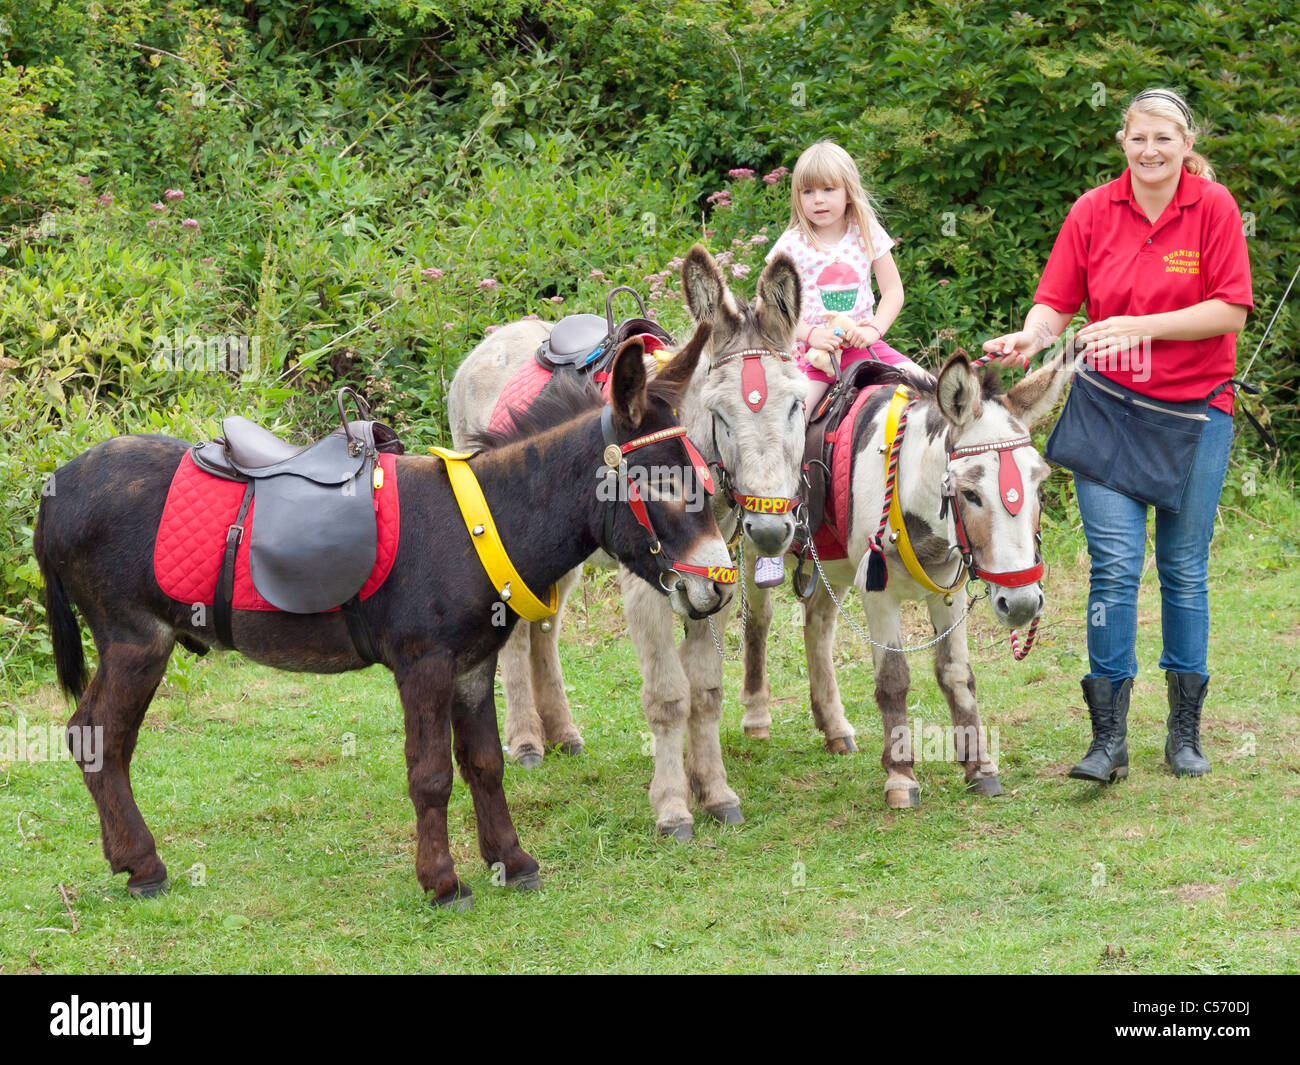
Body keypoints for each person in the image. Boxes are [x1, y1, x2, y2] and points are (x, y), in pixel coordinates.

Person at [983, 88, 1253, 781]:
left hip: (1197, 410)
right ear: (1121, 141)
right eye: (1139, 138)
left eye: (1165, 138)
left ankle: (1184, 732)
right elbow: (1056, 302)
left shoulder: (1214, 209)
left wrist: (1139, 327)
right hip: (1105, 406)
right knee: (1112, 565)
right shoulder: (1092, 210)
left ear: (1187, 144)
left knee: (1184, 569)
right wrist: (1032, 335)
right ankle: (1108, 739)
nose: (1151, 151)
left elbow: (1229, 313)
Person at [753, 140, 930, 587]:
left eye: (828, 190)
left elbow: (893, 293)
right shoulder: (792, 242)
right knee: (786, 431)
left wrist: (871, 330)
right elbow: (767, 304)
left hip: (865, 348)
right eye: (808, 193)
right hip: (813, 357)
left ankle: (942, 516)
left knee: (932, 390)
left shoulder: (865, 230)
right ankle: (777, 540)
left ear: (848, 191)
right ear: (798, 197)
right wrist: (810, 333)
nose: (819, 201)